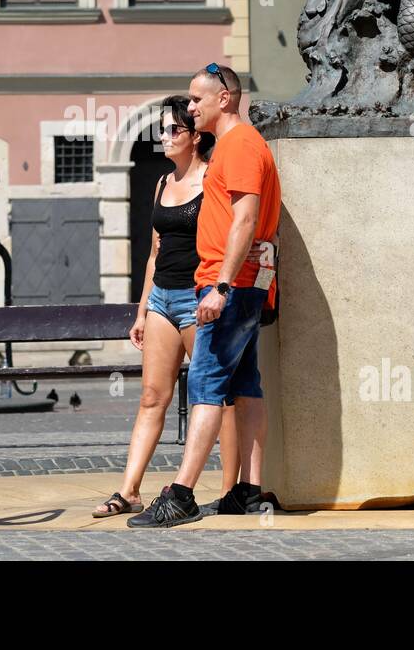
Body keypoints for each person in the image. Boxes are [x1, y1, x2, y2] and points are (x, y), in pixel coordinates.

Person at [129, 64, 281, 528]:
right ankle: (249, 492)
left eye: (197, 100)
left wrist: (220, 285)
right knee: (245, 384)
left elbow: (244, 219)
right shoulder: (240, 146)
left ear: (226, 99)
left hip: (229, 285)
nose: (190, 107)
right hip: (241, 282)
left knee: (206, 384)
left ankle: (182, 494)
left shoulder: (238, 147)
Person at [91, 96, 243, 518]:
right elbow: (155, 254)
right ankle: (129, 491)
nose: (164, 136)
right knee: (152, 397)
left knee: (217, 396)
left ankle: (232, 490)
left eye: (173, 130)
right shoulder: (161, 183)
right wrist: (141, 311)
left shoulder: (213, 178)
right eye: (161, 130)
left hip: (199, 299)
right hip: (161, 298)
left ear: (195, 137)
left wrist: (222, 290)